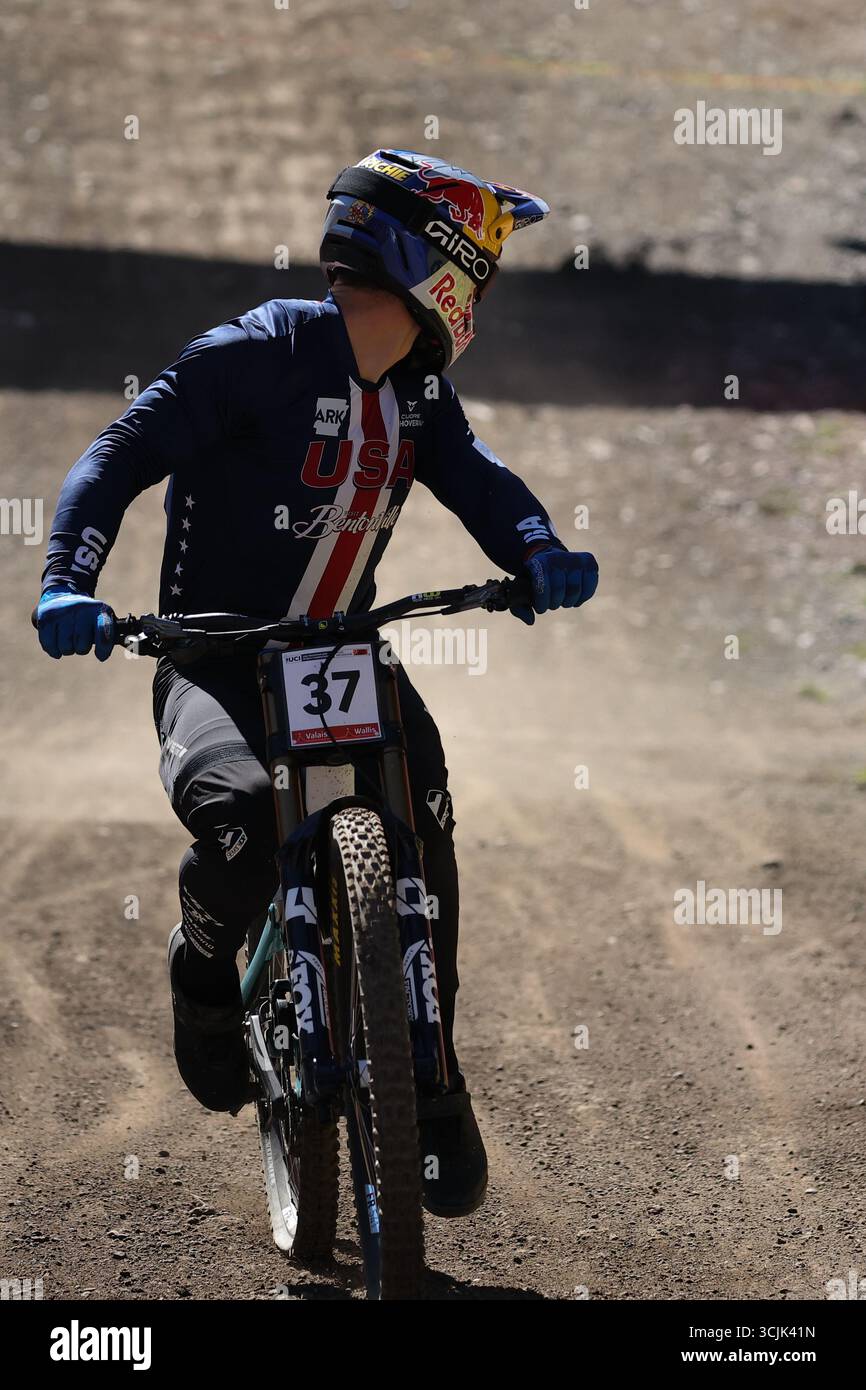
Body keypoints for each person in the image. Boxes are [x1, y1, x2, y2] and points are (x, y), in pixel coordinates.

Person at [35, 149, 599, 1218]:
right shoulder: (255, 351)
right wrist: (68, 582)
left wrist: (536, 550)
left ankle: (427, 1077)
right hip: (214, 659)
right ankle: (204, 981)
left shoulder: (419, 389)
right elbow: (115, 455)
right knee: (243, 816)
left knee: (423, 817)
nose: (475, 296)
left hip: (340, 656)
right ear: (435, 267)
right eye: (475, 269)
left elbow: (476, 478)